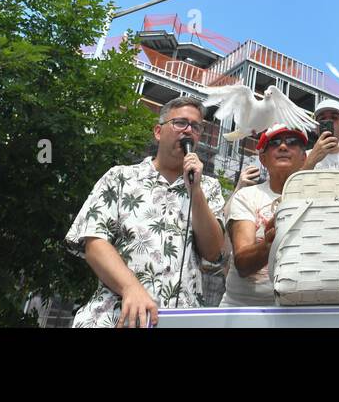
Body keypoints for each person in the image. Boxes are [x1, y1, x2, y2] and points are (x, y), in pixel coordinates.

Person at [65, 96, 225, 327]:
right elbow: (94, 242)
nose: (188, 130)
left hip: (180, 320)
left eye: (196, 126)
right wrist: (131, 287)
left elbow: (214, 252)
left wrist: (196, 191)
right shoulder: (120, 177)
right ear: (159, 132)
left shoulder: (209, 187)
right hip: (115, 316)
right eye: (180, 123)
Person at [221, 124, 310, 307]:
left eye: (292, 142)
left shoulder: (316, 201)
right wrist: (271, 244)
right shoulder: (246, 196)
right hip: (242, 308)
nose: (283, 147)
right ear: (262, 158)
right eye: (274, 143)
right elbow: (243, 264)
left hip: (299, 309)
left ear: (304, 158)